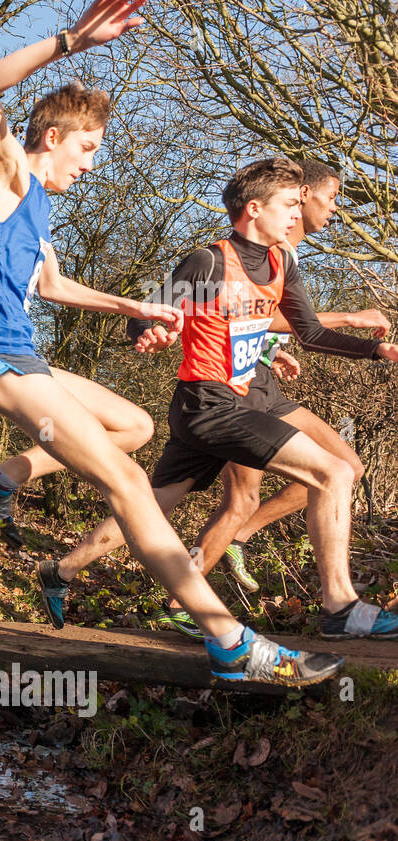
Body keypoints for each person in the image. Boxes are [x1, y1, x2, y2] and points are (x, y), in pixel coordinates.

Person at [0, 0, 343, 686]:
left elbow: (55, 288)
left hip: (22, 352)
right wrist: (72, 40)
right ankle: (228, 641)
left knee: (132, 424)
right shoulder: (9, 171)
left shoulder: (38, 209)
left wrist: (137, 306)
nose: (92, 164)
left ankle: (1, 479)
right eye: (88, 148)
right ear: (51, 136)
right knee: (130, 481)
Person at [43, 156, 398, 642]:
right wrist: (150, 332)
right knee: (335, 471)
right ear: (254, 209)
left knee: (150, 502)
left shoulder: (278, 263)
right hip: (207, 405)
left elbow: (310, 333)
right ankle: (339, 605)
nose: (298, 215)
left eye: (300, 205)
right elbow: (143, 314)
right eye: (290, 205)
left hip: (227, 402)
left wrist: (377, 350)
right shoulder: (207, 260)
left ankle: (60, 570)